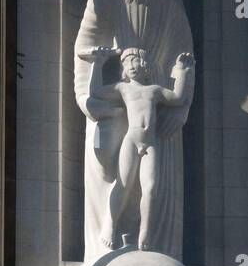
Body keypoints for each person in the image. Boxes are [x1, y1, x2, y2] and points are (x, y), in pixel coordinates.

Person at [83, 45, 195, 251]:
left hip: (150, 142)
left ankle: (145, 231)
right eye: (126, 62)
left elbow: (178, 98)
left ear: (145, 66)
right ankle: (110, 226)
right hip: (132, 139)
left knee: (151, 188)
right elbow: (96, 92)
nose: (131, 65)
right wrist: (97, 64)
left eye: (135, 61)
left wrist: (182, 71)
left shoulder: (154, 91)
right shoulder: (123, 88)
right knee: (123, 184)